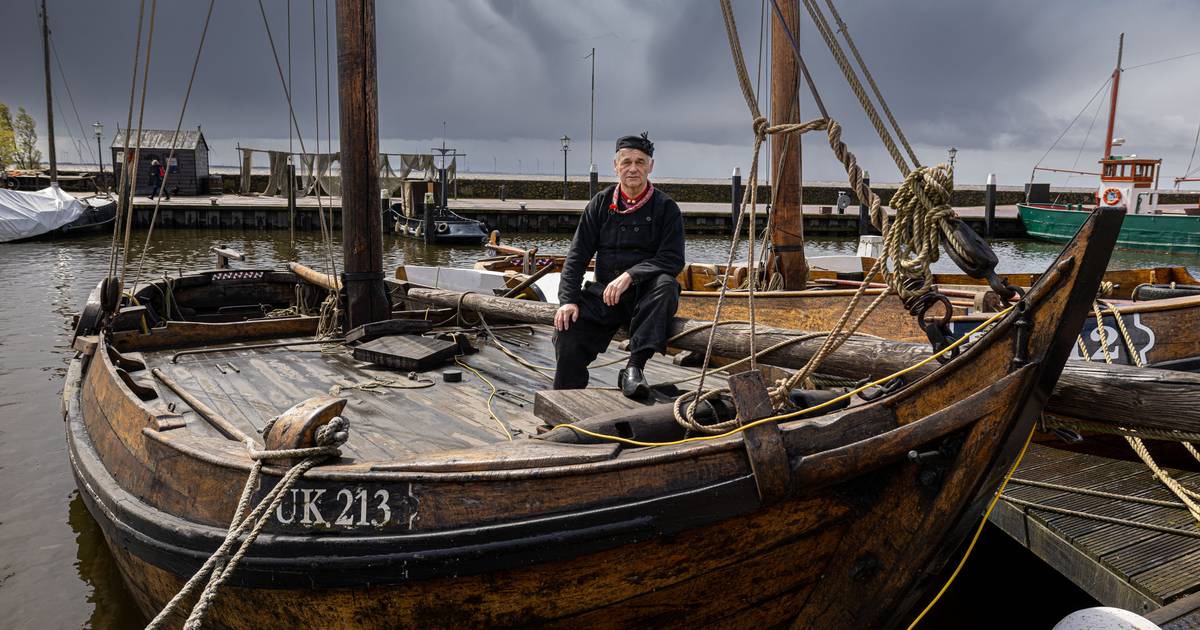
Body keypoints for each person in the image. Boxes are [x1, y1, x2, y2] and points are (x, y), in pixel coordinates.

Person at [553, 132, 685, 398]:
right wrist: (567, 300)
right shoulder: (600, 204)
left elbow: (672, 259)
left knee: (667, 285)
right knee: (568, 326)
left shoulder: (666, 208)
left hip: (646, 297)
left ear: (650, 166)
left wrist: (631, 275)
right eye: (626, 162)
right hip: (606, 296)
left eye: (640, 162)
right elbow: (577, 256)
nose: (633, 168)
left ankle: (634, 368)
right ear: (616, 166)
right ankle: (566, 395)